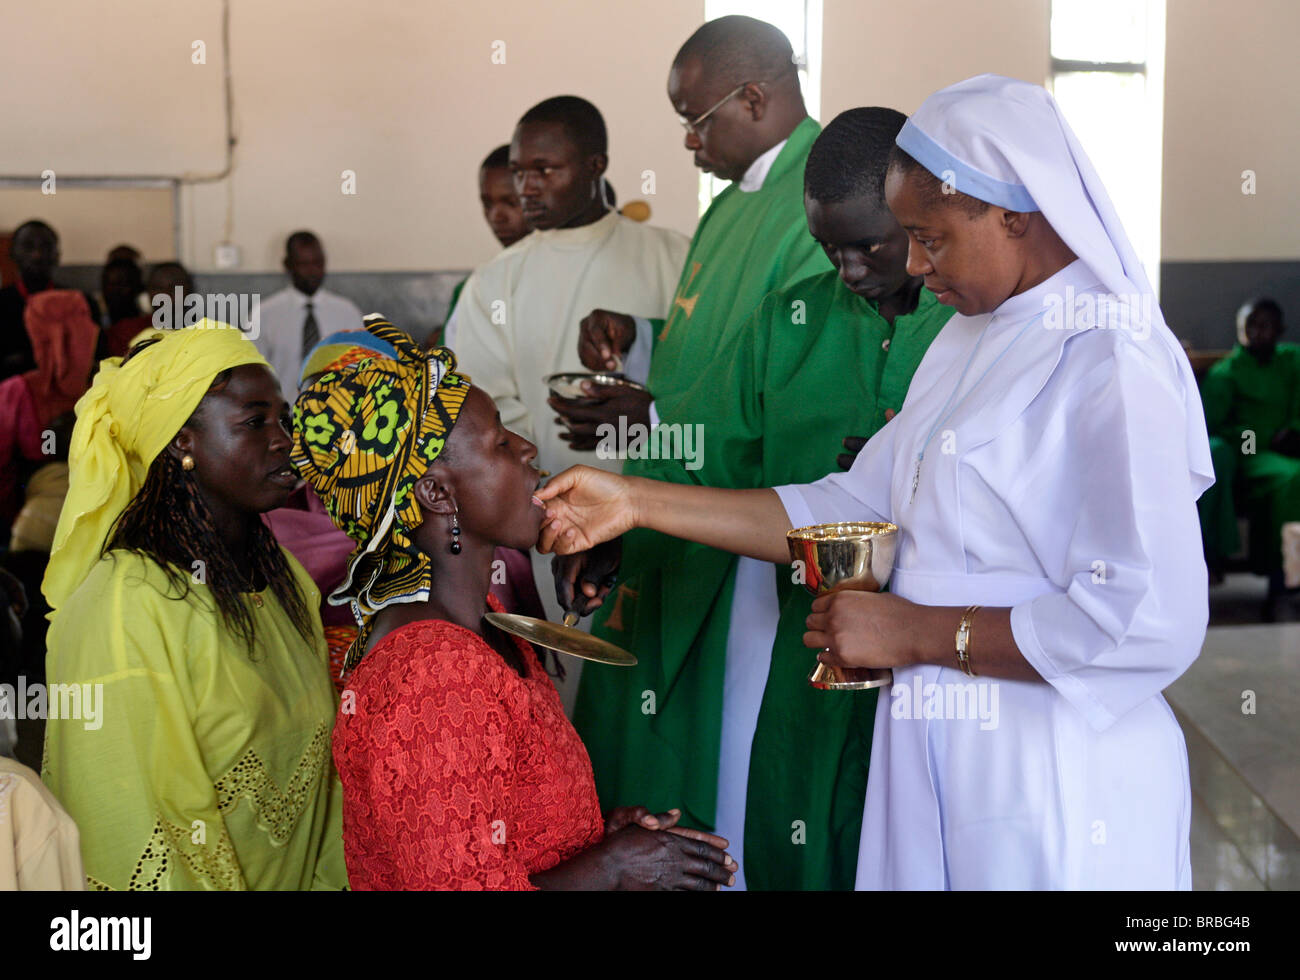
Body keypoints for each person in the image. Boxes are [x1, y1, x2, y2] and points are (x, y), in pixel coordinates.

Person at [537, 74, 1213, 890]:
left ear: (1013, 213)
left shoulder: (1113, 358)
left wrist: (918, 633)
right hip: (937, 749)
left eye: (929, 236)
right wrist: (637, 501)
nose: (917, 264)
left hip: (1051, 766)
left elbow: (1147, 618)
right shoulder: (970, 339)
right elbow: (854, 503)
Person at [554, 108, 951, 890]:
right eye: (829, 248)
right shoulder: (790, 321)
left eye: (870, 244)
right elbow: (701, 445)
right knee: (792, 820)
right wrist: (620, 527)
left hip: (931, 639)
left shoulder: (967, 323)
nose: (849, 270)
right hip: (808, 630)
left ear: (918, 212)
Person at [291, 316, 736, 890]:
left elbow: (489, 830)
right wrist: (612, 869)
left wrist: (598, 837)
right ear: (437, 493)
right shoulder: (432, 673)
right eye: (501, 442)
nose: (528, 448)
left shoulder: (483, 623)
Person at [553, 13, 831, 847]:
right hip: (680, 487)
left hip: (751, 517)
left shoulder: (820, 196)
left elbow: (797, 372)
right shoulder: (729, 204)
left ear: (754, 97)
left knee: (735, 741)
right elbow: (714, 341)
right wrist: (635, 341)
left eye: (694, 121)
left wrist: (658, 417)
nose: (686, 143)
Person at [41, 323, 346, 890]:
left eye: (283, 419)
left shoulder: (283, 581)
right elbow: (138, 834)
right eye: (255, 422)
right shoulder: (124, 609)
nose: (284, 440)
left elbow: (328, 800)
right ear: (182, 442)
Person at [448, 95, 689, 643]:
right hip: (552, 525)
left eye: (544, 170)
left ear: (595, 167)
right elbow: (492, 417)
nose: (525, 188)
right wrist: (560, 514)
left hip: (671, 515)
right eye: (517, 171)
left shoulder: (673, 257)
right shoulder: (494, 282)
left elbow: (706, 375)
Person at [1199, 298, 1299, 609]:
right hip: (1250, 451)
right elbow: (1212, 428)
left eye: (1264, 325)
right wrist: (1255, 441)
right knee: (1290, 476)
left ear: (1280, 329)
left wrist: (1294, 429)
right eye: (1249, 326)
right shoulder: (1226, 373)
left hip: (1290, 444)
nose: (1256, 333)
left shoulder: (1292, 361)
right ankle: (1281, 573)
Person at [429, 145, 531, 351]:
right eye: (487, 204)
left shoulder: (561, 276)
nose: (496, 216)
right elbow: (447, 368)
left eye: (510, 202)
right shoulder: (472, 288)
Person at [255, 231, 364, 405]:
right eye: (304, 264)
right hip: (285, 414)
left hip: (337, 413)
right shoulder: (263, 315)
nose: (312, 271)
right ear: (287, 265)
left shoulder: (347, 313)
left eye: (318, 263)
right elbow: (256, 372)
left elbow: (361, 367)